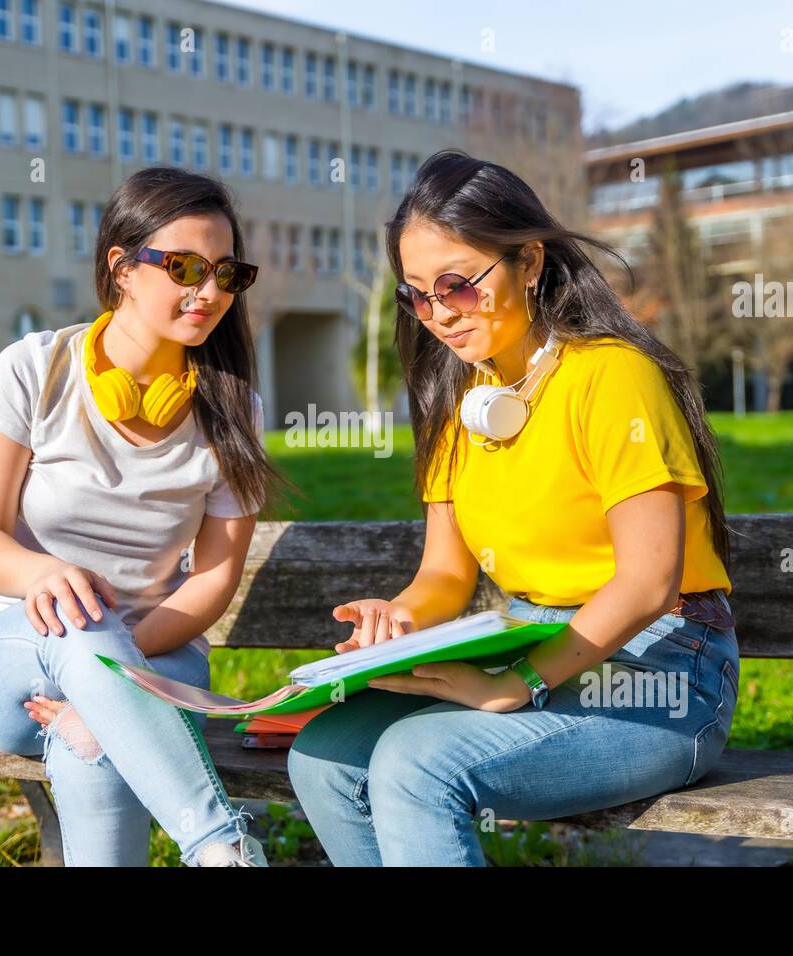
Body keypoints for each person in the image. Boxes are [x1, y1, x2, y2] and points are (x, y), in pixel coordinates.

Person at [286, 149, 741, 866]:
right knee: (324, 757)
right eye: (417, 295)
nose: (438, 315)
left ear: (529, 262)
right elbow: (443, 574)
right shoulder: (460, 400)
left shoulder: (612, 377)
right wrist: (397, 622)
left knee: (416, 763)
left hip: (662, 671)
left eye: (458, 285)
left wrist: (521, 684)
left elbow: (650, 583)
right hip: (530, 643)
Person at [0, 166, 283, 866]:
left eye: (228, 273)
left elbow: (210, 584)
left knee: (93, 740)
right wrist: (48, 576)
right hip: (11, 654)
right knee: (81, 624)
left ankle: (111, 723)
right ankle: (222, 846)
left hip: (160, 655)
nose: (210, 291)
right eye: (185, 267)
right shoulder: (34, 369)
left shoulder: (234, 410)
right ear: (122, 267)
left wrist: (109, 674)